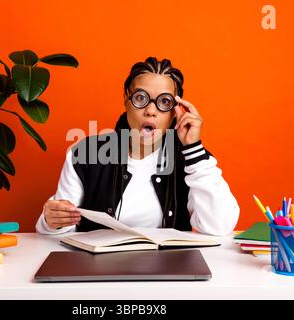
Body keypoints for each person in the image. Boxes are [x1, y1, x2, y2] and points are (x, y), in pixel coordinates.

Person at [36, 57, 239, 236]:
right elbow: (59, 232)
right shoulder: (85, 154)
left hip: (170, 272)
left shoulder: (191, 159)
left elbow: (219, 226)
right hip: (98, 272)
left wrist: (193, 149)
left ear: (175, 112)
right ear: (126, 100)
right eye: (141, 98)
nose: (150, 110)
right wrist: (51, 221)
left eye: (164, 102)